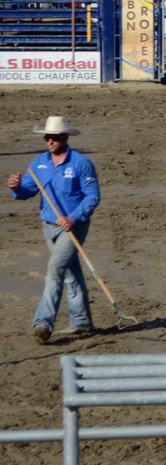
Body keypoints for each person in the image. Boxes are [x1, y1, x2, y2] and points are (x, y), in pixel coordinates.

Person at [8, 116, 101, 343]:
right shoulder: (38, 164)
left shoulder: (81, 163)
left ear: (65, 138)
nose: (50, 141)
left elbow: (92, 197)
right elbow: (26, 193)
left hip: (74, 226)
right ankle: (81, 322)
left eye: (55, 137)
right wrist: (17, 187)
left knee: (54, 270)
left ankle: (43, 322)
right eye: (47, 137)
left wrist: (73, 217)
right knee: (70, 272)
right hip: (48, 225)